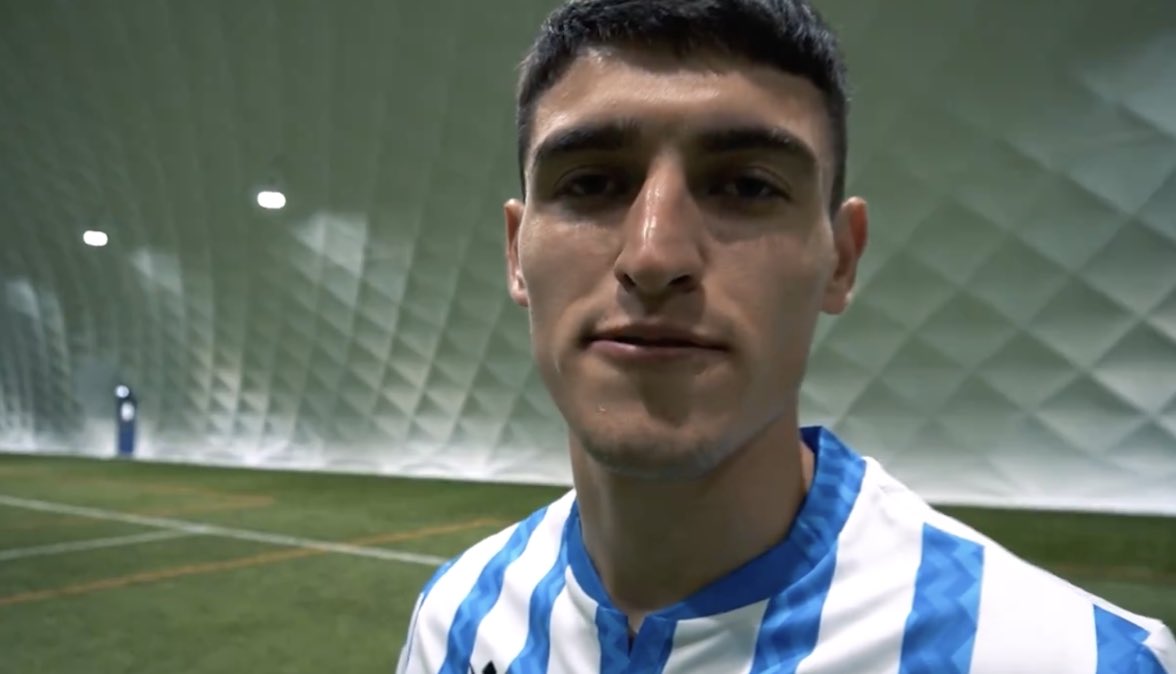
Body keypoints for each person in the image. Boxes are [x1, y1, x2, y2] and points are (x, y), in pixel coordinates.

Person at [395, 1, 1175, 672]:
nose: (654, 255)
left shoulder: (1069, 657)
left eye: (746, 186)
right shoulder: (456, 621)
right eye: (591, 183)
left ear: (842, 260)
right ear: (516, 254)